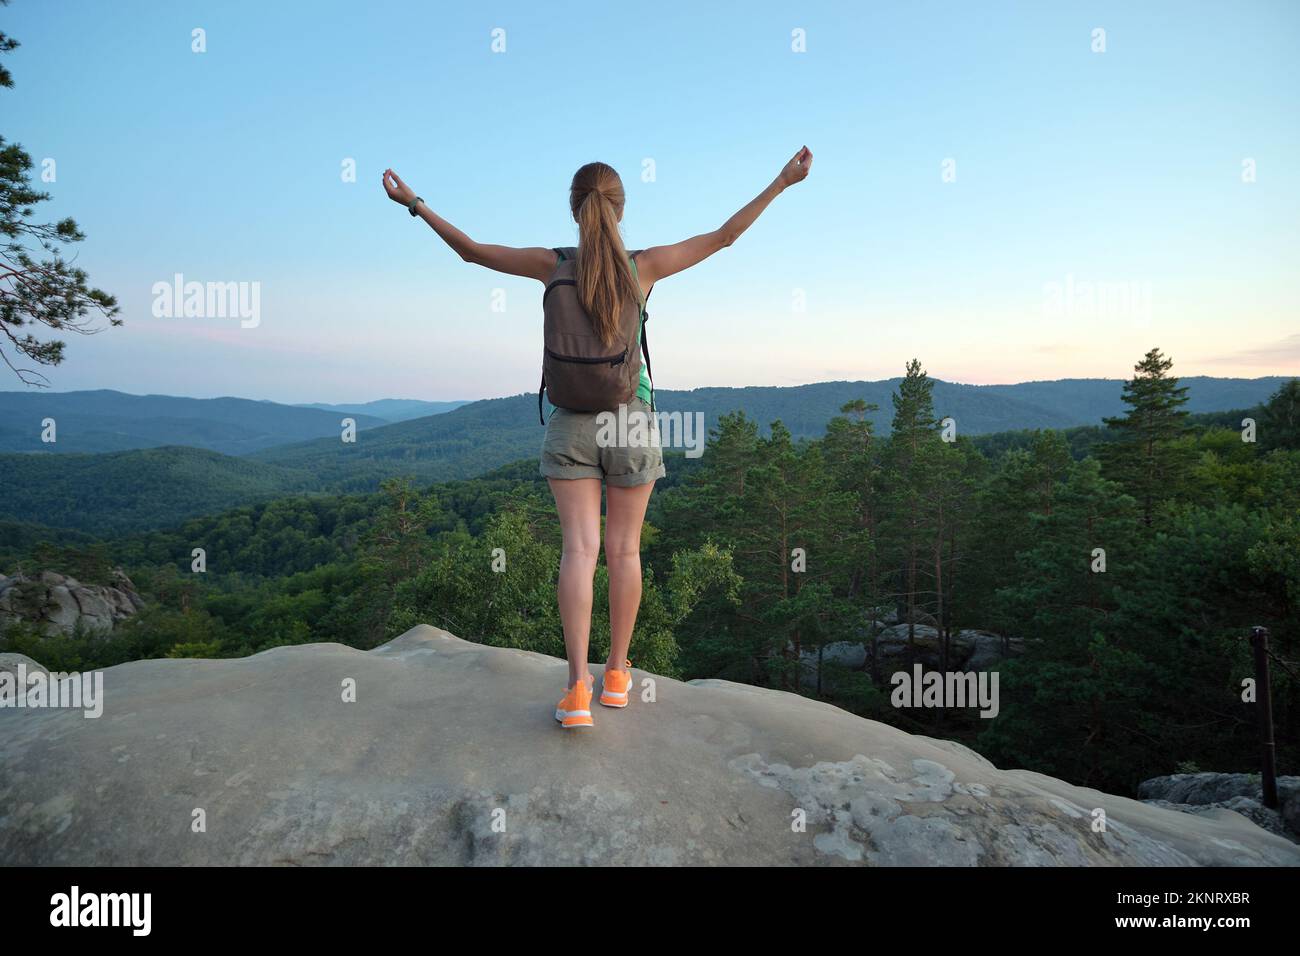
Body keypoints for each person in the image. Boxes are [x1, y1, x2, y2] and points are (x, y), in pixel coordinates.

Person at [382, 146, 813, 729]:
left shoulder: (551, 263)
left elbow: (472, 251)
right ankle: (616, 677)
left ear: (574, 209)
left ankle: (575, 690)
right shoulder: (646, 266)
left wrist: (415, 204)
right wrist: (782, 182)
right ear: (620, 208)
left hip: (569, 422)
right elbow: (724, 236)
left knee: (579, 553)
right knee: (624, 551)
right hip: (629, 418)